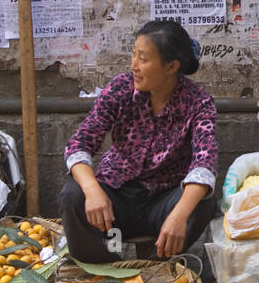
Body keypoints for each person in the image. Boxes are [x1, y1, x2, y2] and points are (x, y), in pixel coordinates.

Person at [61, 20, 219, 262]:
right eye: (134, 55)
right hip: (114, 198)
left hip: (162, 202)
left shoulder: (199, 103)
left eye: (143, 59)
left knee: (200, 204)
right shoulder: (119, 90)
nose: (134, 65)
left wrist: (178, 215)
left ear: (171, 67)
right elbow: (79, 144)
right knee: (73, 194)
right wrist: (92, 190)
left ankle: (155, 271)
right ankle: (104, 271)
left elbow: (204, 164)